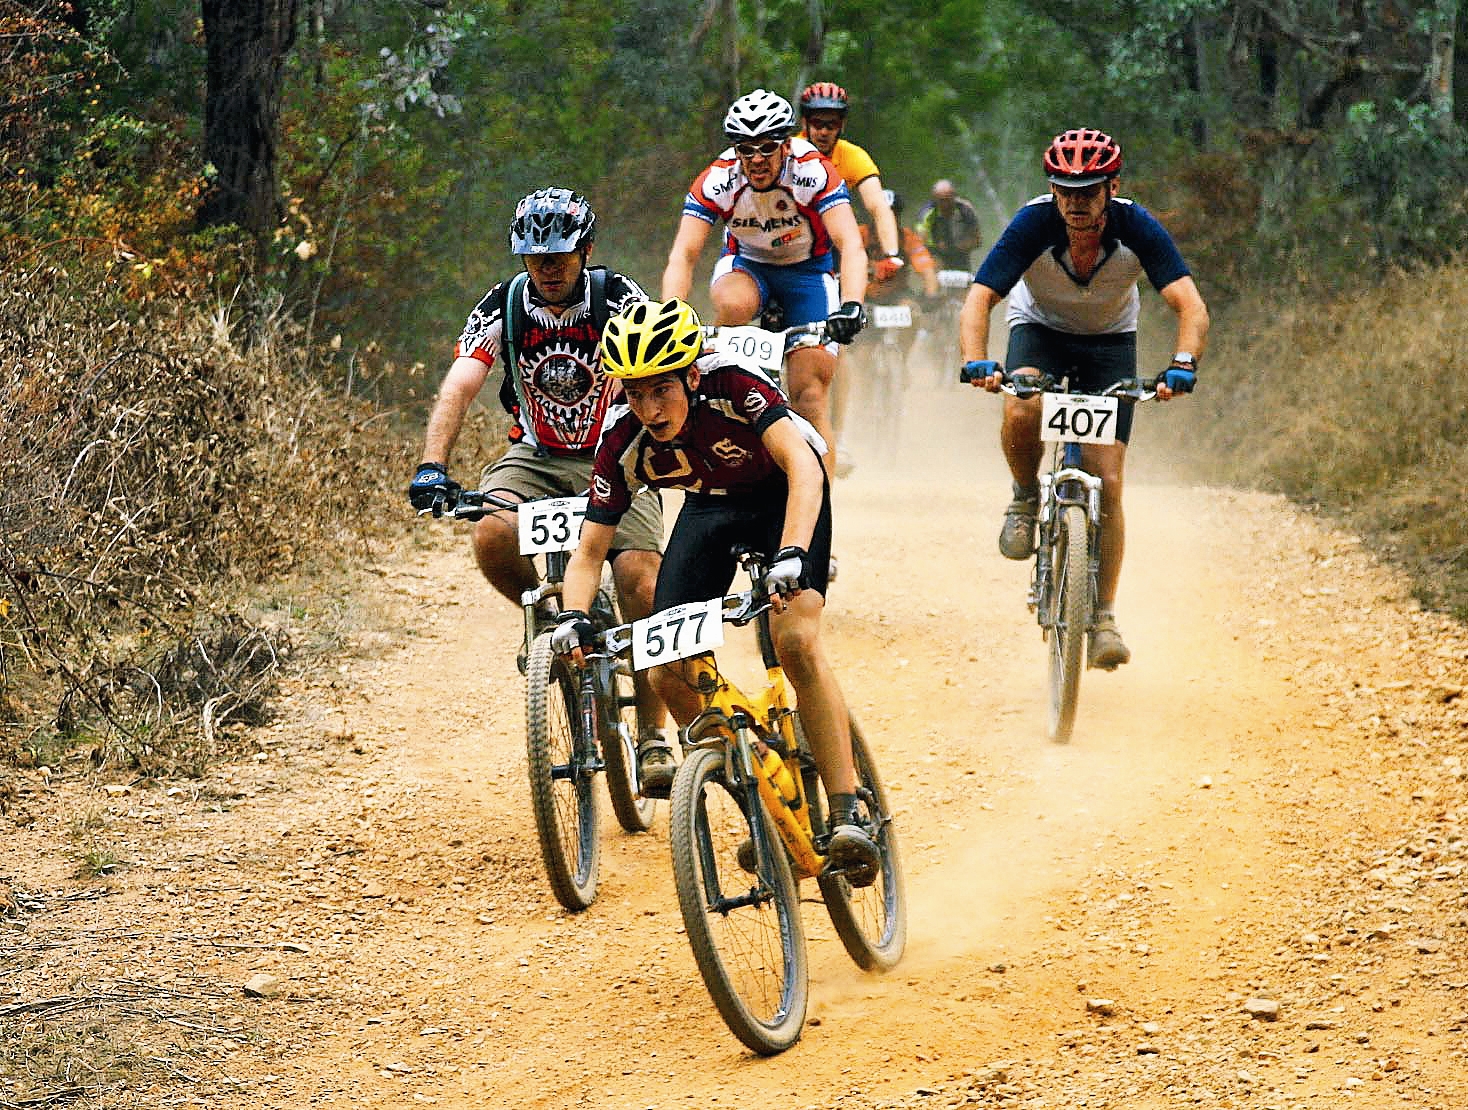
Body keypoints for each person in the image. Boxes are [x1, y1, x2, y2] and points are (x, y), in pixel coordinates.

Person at [548, 298, 879, 874]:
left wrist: (795, 554)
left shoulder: (734, 384)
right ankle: (756, 798)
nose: (648, 409)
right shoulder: (623, 437)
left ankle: (849, 809)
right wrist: (574, 619)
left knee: (795, 642)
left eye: (661, 390)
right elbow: (589, 551)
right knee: (664, 668)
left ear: (691, 376)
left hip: (784, 498)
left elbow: (804, 469)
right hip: (710, 511)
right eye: (634, 393)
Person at [408, 187, 669, 775]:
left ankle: (652, 737)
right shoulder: (504, 306)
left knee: (641, 583)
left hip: (617, 452)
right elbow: (460, 384)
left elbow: (663, 369)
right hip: (536, 456)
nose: (548, 269)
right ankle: (556, 628)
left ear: (585, 251)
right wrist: (433, 465)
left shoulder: (618, 296)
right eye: (535, 257)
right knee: (491, 537)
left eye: (560, 256)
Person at [960, 128, 1209, 670]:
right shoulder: (1033, 223)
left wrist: (1182, 365)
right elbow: (979, 299)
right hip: (1039, 330)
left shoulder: (1136, 226)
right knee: (1023, 405)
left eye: (1088, 191)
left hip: (1109, 343)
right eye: (1065, 190)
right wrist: (976, 359)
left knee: (1110, 480)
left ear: (1111, 187)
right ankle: (1025, 496)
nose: (1075, 203)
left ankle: (1103, 618)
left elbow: (1189, 305)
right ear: (1052, 191)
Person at [660, 88, 868, 483]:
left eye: (767, 148)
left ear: (787, 145)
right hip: (748, 266)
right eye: (745, 149)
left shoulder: (813, 171)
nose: (756, 160)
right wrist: (671, 312)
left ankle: (817, 514)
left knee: (809, 394)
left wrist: (852, 305)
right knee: (733, 306)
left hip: (808, 273)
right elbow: (683, 254)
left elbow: (850, 245)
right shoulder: (718, 179)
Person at [915, 179, 983, 271]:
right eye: (941, 201)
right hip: (935, 253)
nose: (945, 205)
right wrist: (934, 254)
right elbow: (920, 244)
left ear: (954, 197)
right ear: (935, 200)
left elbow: (977, 240)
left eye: (948, 200)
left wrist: (962, 245)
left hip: (961, 254)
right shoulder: (926, 214)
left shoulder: (965, 210)